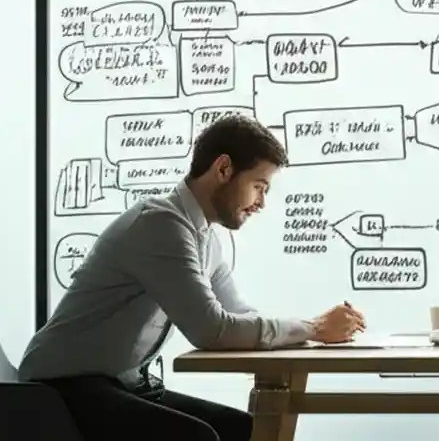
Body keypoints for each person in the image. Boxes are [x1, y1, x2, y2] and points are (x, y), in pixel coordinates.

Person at [18, 114, 366, 441]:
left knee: (245, 431)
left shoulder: (204, 237)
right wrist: (315, 328)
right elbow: (212, 330)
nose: (262, 203)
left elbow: (240, 313)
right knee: (197, 438)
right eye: (259, 186)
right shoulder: (162, 226)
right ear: (224, 168)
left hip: (120, 383)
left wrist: (310, 330)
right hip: (63, 388)